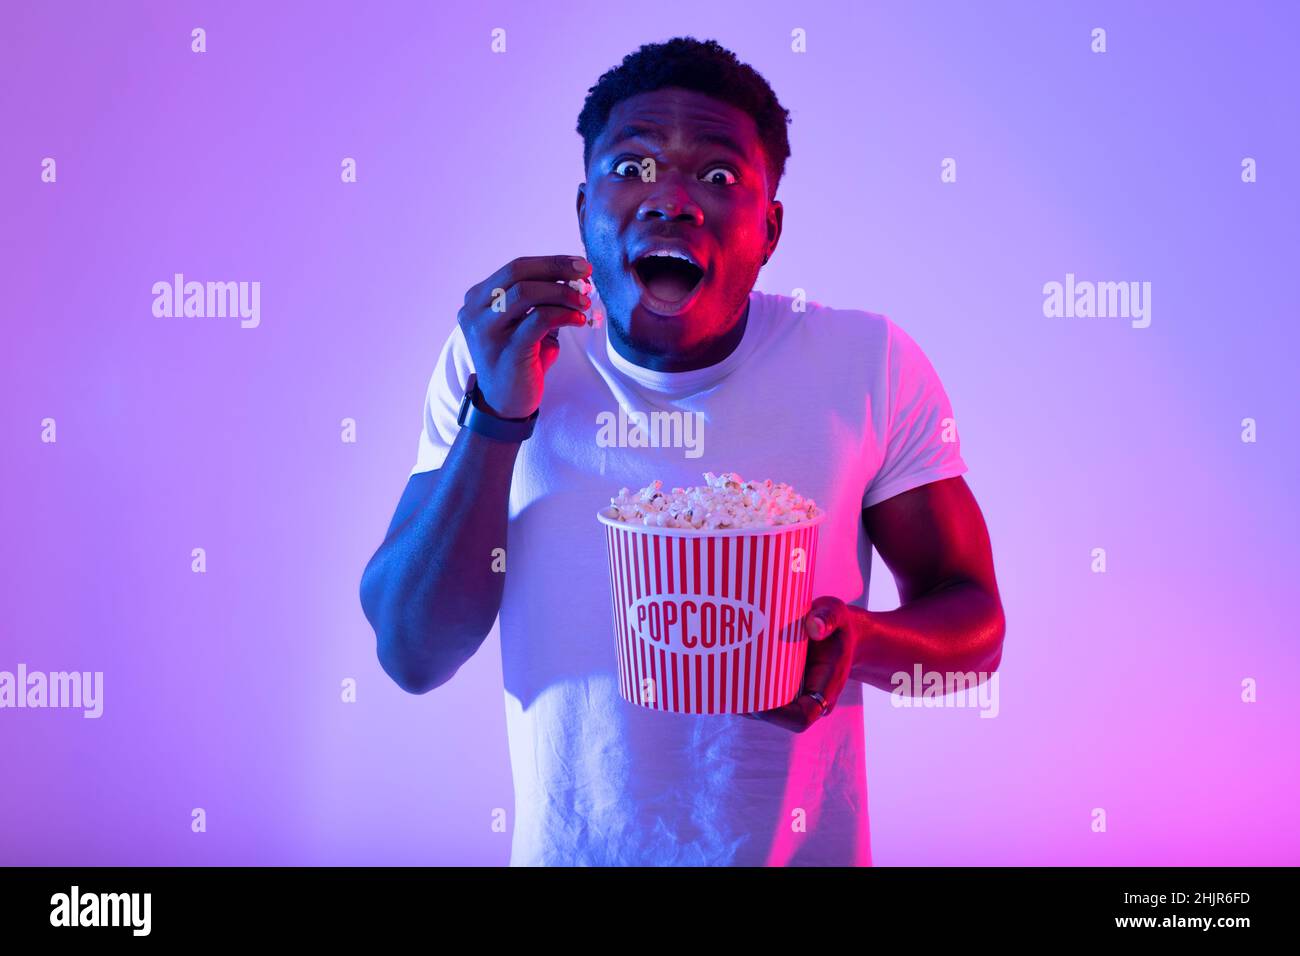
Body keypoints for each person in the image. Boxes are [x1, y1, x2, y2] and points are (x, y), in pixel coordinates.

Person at [360, 36, 1005, 866]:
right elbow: (412, 654)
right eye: (631, 169)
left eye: (718, 176)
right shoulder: (502, 355)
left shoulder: (866, 365)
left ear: (769, 228)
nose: (669, 198)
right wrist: (497, 415)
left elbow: (976, 635)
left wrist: (862, 645)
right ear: (584, 206)